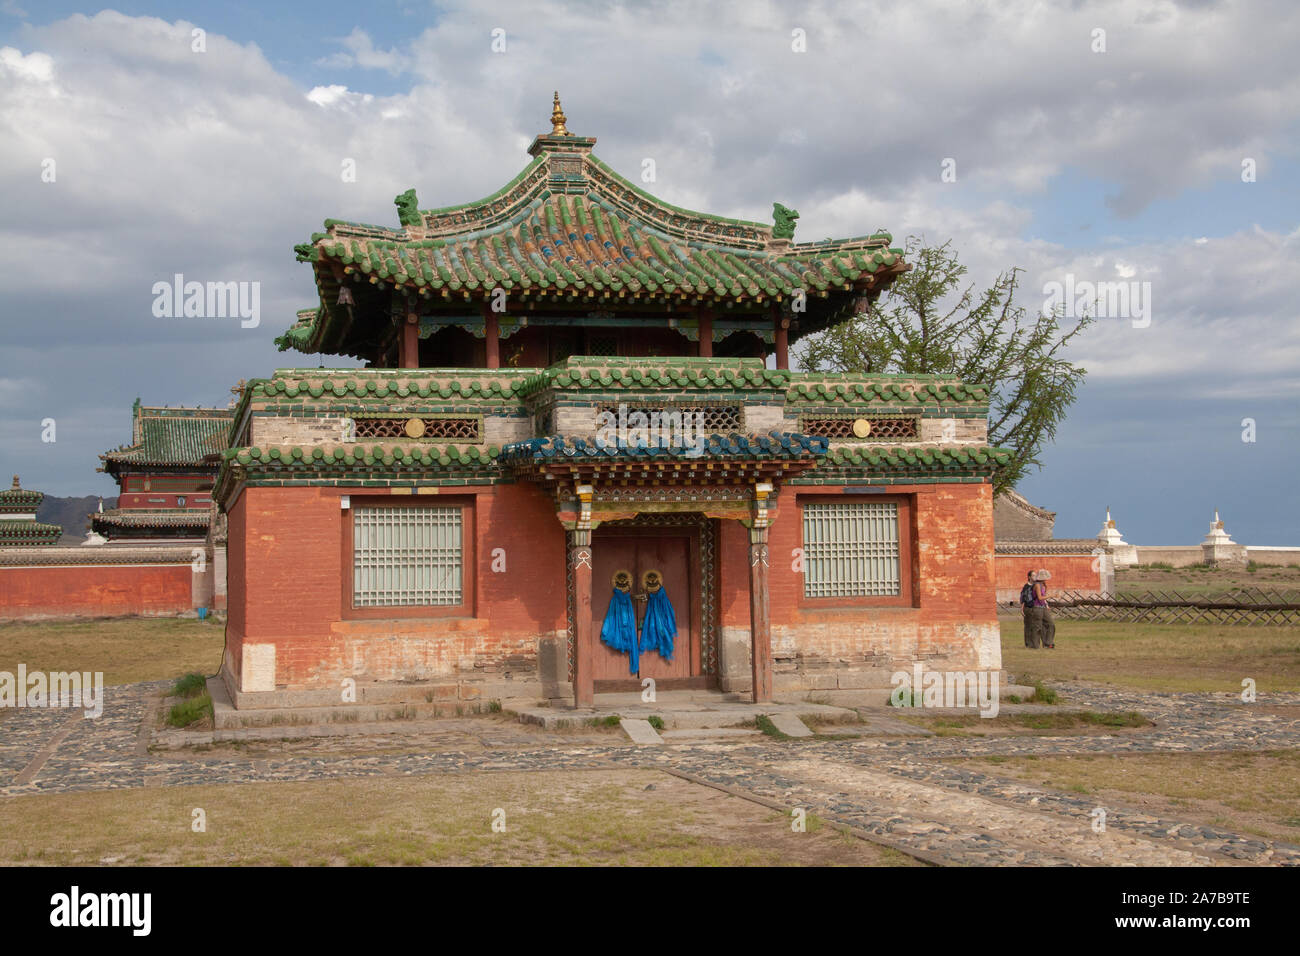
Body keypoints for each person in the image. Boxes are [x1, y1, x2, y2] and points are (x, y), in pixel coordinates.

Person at [1032, 569, 1056, 649]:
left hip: (1043, 607)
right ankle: (1035, 645)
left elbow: (1043, 597)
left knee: (1051, 624)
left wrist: (1046, 604)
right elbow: (1040, 597)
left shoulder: (1042, 585)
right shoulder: (1037, 585)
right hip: (1037, 608)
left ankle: (1048, 643)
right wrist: (1051, 596)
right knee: (1038, 627)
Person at [1020, 570, 1040, 648]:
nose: (1035, 577)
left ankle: (1035, 643)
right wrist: (1021, 609)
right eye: (1033, 575)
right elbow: (1023, 598)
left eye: (1036, 575)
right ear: (1029, 577)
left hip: (1036, 608)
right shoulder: (1026, 587)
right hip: (1028, 608)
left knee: (1036, 626)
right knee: (1028, 626)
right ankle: (1028, 643)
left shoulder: (1036, 586)